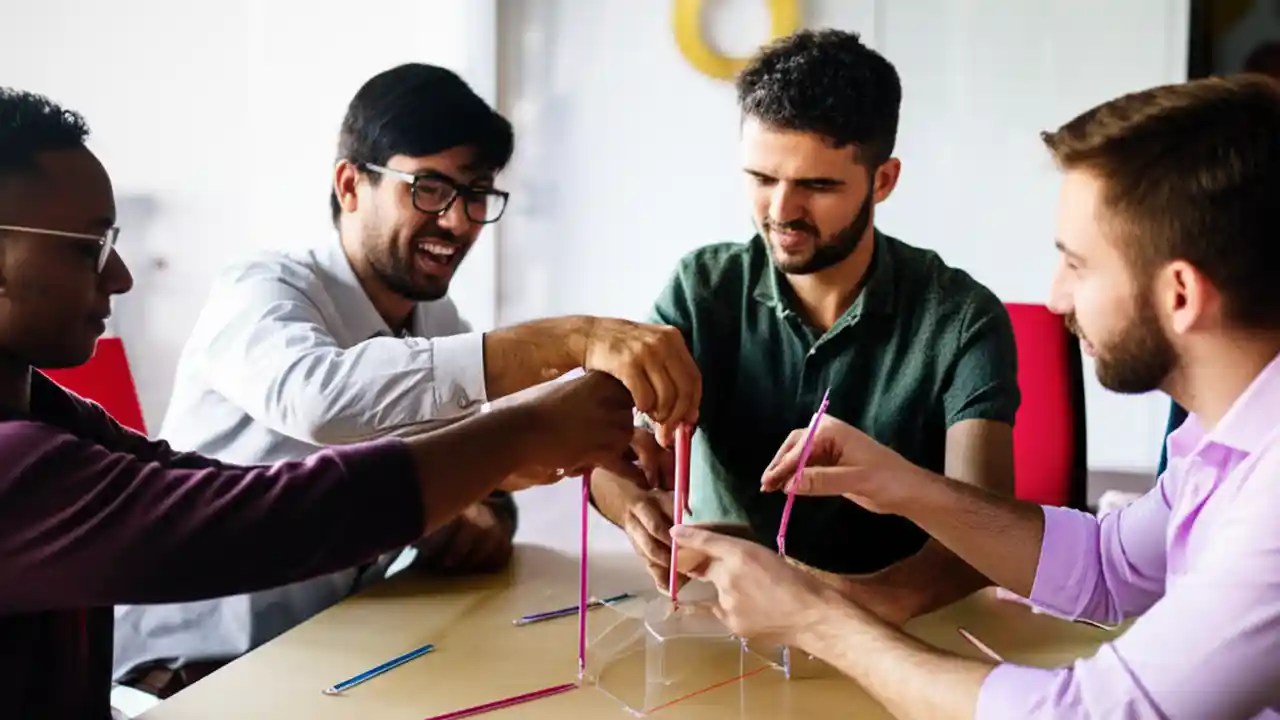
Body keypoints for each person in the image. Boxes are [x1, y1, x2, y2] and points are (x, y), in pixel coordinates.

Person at [0, 87, 644, 720]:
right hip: (190, 677)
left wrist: (510, 489)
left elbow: (285, 493)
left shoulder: (55, 412)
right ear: (350, 184)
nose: (458, 221)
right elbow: (300, 462)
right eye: (88, 248)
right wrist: (550, 372)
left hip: (325, 649)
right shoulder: (261, 290)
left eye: (476, 194)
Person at [678, 74, 1280, 719]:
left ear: (1179, 294)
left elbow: (1087, 715)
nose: (1056, 298)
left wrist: (817, 620)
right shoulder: (1223, 437)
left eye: (1077, 265)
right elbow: (1108, 566)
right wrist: (903, 484)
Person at [588, 29, 1020, 625]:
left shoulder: (963, 318)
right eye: (762, 179)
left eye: (817, 186)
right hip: (724, 625)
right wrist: (634, 505)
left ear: (883, 181)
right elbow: (602, 456)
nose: (781, 212)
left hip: (904, 632)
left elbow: (988, 536)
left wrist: (828, 608)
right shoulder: (700, 289)